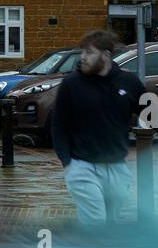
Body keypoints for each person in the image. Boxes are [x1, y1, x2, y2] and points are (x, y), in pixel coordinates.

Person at [50, 30, 146, 225]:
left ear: (106, 55)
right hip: (82, 165)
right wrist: (67, 163)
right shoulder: (71, 84)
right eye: (82, 52)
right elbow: (58, 125)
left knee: (112, 221)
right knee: (96, 220)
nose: (83, 58)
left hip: (117, 167)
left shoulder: (129, 82)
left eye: (89, 53)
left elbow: (154, 114)